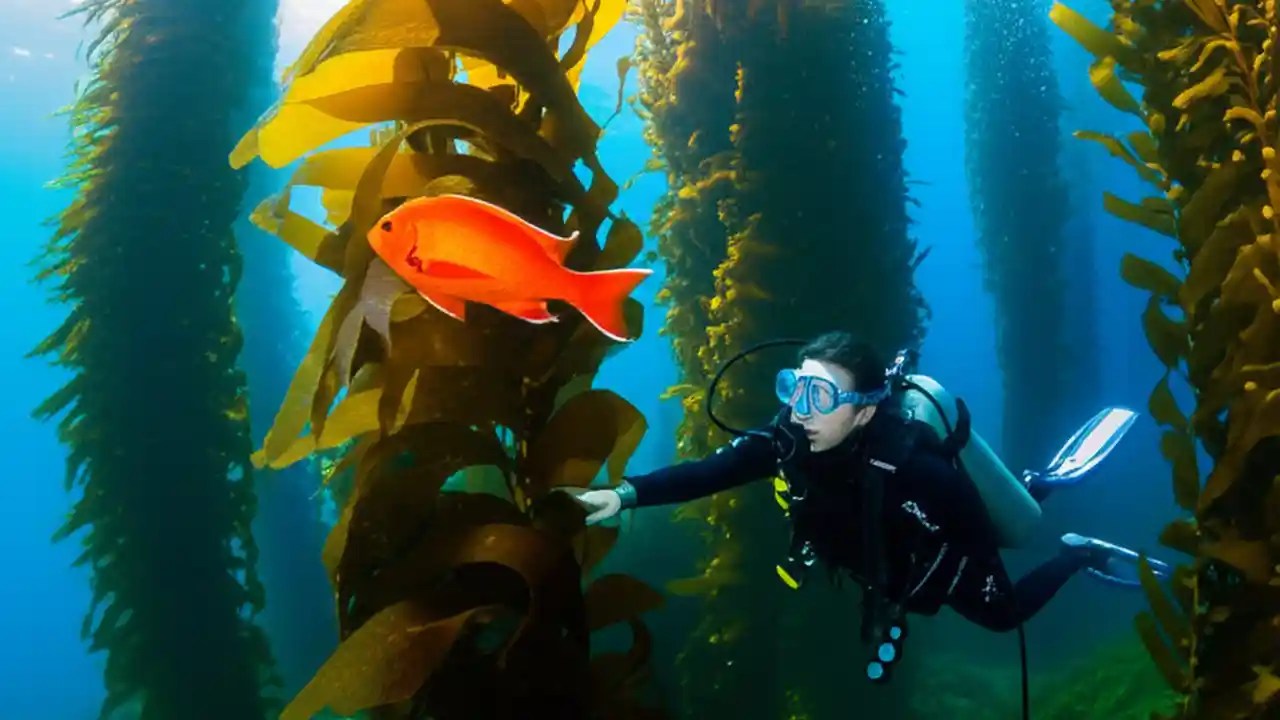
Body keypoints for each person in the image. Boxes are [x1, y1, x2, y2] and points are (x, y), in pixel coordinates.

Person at [565, 331, 1170, 685]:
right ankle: (1031, 485)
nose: (800, 409)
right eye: (794, 387)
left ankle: (1078, 550)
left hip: (939, 544)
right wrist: (621, 495)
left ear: (864, 409)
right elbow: (713, 471)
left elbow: (976, 531)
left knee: (1004, 613)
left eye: (820, 395)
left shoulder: (916, 471)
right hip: (881, 564)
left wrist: (951, 571)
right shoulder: (791, 435)